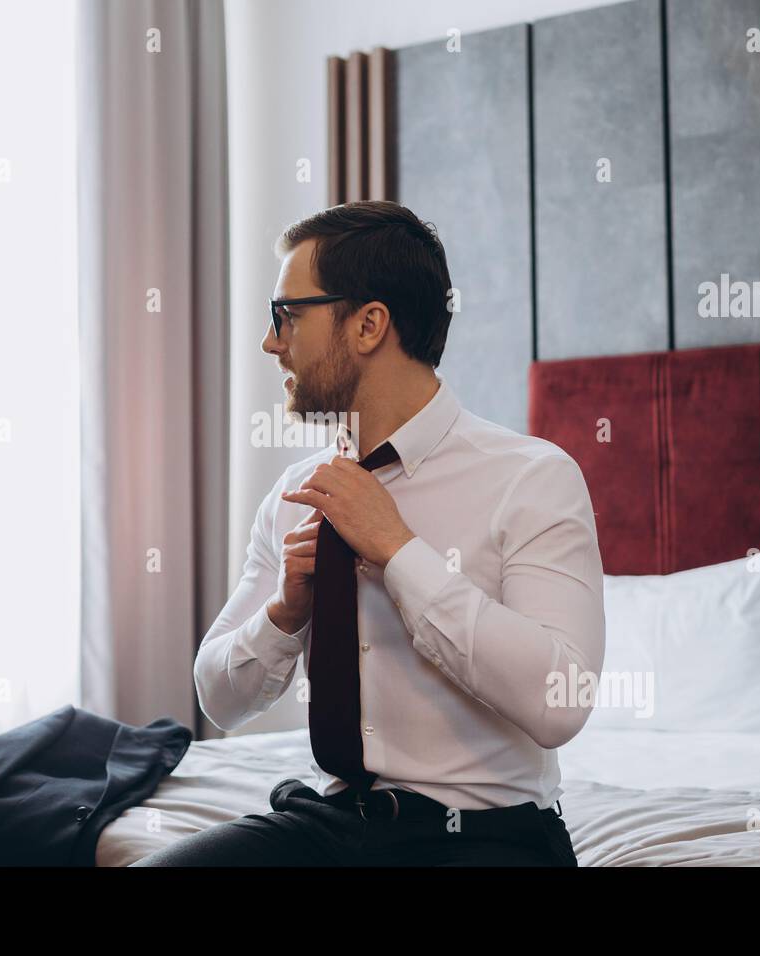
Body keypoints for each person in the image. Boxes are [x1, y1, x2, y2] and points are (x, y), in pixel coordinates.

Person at [130, 200, 604, 866]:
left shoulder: (532, 477)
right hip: (332, 826)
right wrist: (284, 613)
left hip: (489, 835)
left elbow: (564, 702)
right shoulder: (297, 495)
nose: (271, 342)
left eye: (287, 316)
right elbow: (217, 696)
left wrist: (399, 551)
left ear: (369, 324)